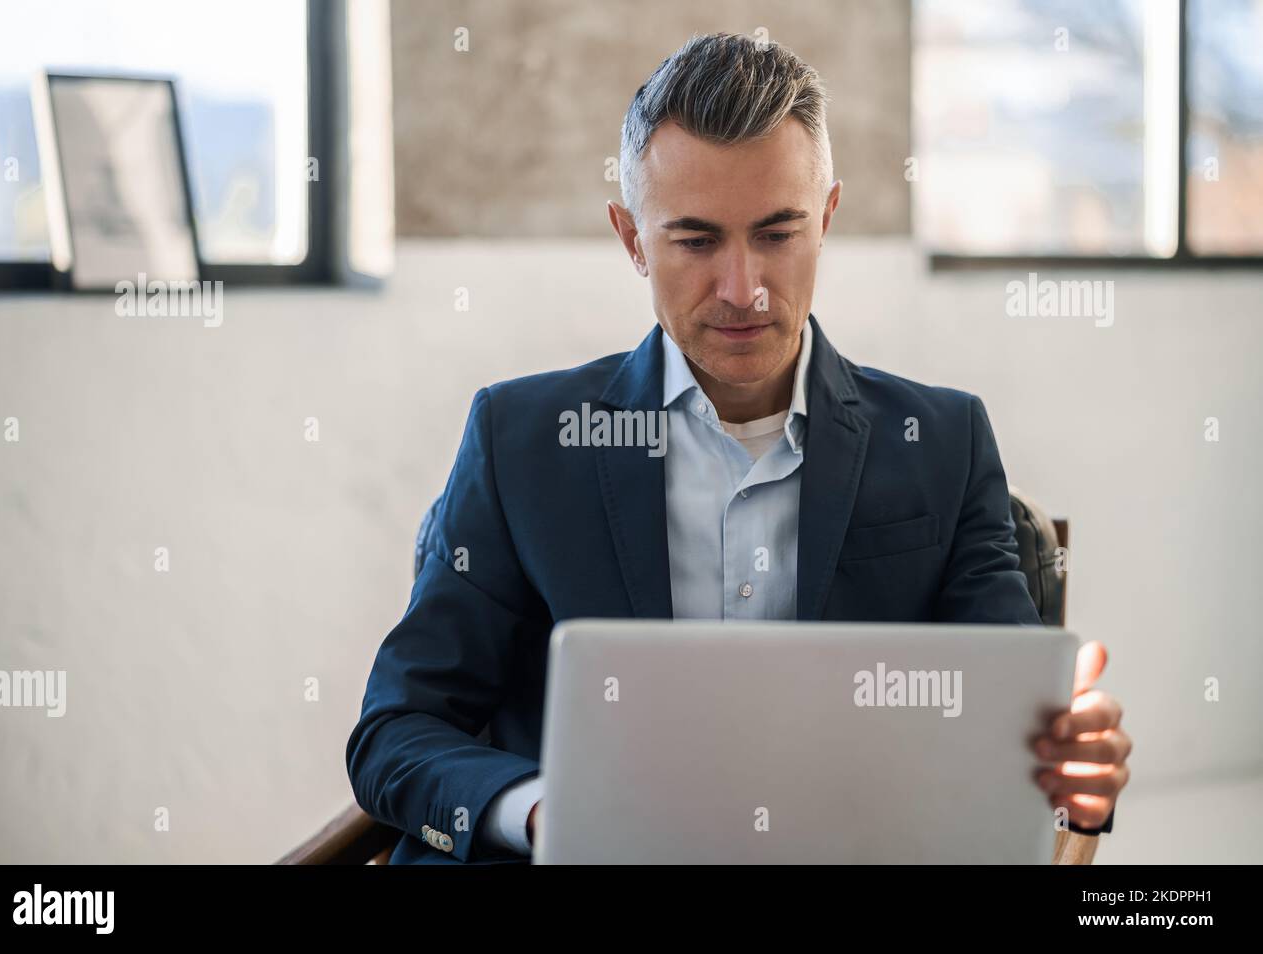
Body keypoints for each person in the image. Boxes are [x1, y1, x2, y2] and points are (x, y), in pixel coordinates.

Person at [346, 32, 1131, 864]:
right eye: (695, 241)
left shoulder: (944, 443)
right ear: (631, 238)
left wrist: (1074, 777)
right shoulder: (521, 442)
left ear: (826, 217)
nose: (743, 288)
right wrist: (548, 814)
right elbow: (395, 733)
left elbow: (1013, 736)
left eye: (777, 233)